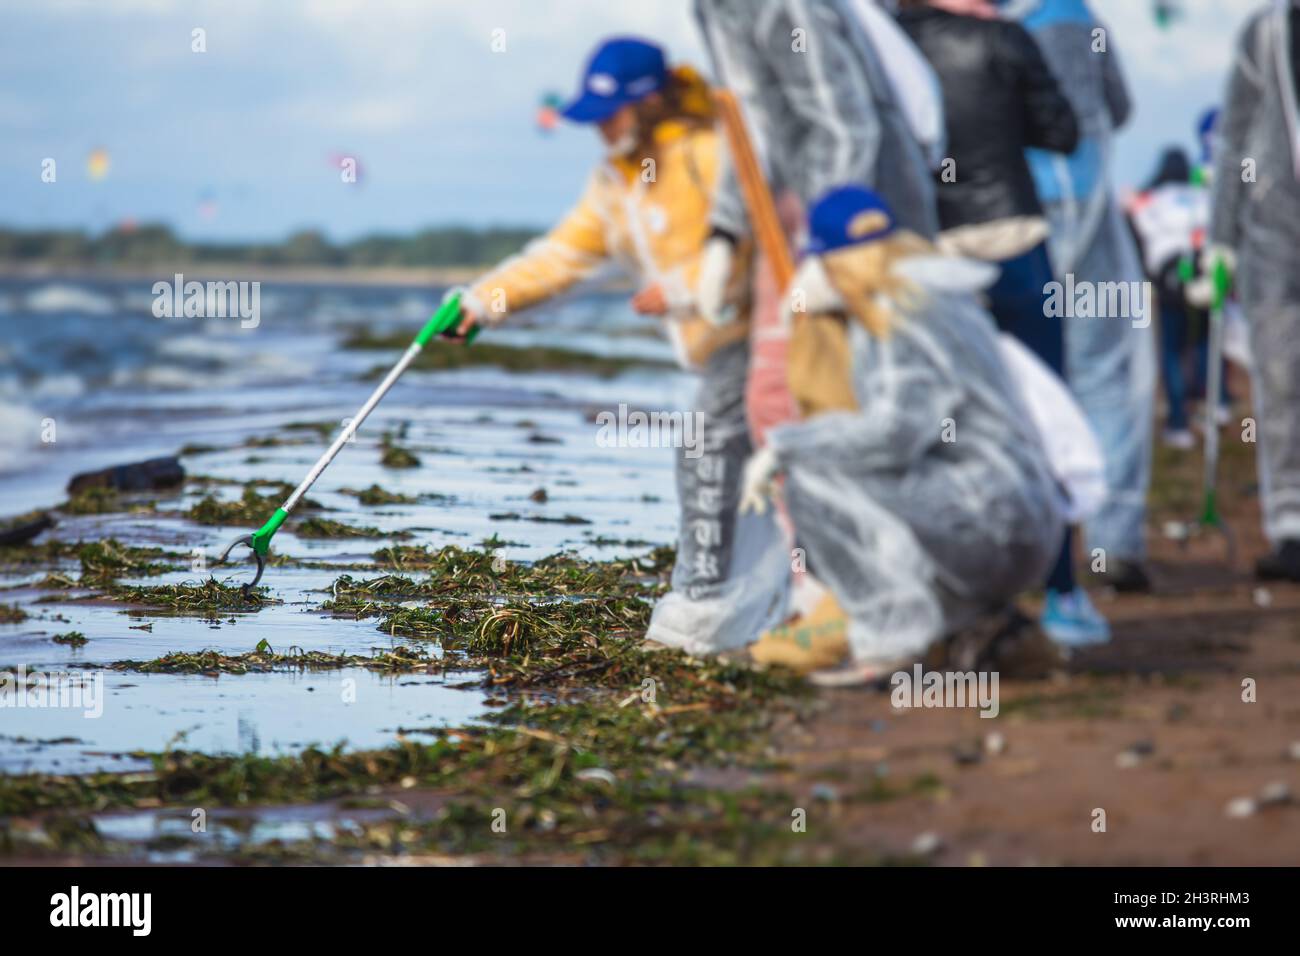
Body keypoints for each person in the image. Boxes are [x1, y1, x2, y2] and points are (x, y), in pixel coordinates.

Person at [448, 37, 789, 652]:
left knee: (705, 453)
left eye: (611, 115)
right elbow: (561, 258)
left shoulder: (709, 152)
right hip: (717, 349)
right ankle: (776, 607)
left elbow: (761, 238)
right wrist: (482, 302)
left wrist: (684, 289)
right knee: (766, 474)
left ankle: (701, 619)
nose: (601, 128)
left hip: (768, 335)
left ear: (650, 101)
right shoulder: (615, 181)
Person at [739, 186, 1067, 686]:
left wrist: (784, 446)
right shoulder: (937, 295)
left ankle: (891, 642)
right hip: (1021, 515)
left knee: (809, 477)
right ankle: (981, 632)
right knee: (863, 477)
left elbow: (895, 433)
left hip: (990, 518)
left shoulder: (898, 310)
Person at [897, 0, 1112, 646]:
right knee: (1045, 413)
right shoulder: (1003, 38)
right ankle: (1062, 594)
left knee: (935, 422)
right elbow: (1061, 132)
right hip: (1011, 237)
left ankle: (940, 596)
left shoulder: (885, 40)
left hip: (926, 248)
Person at [1010, 0, 1158, 598]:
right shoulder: (1079, 18)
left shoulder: (973, 23)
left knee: (1023, 383)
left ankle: (1031, 549)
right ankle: (1112, 542)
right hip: (1092, 222)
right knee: (1108, 379)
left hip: (1016, 223)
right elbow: (1119, 108)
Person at [1208, 0, 1300, 582]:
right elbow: (1233, 138)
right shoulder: (1266, 33)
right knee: (1280, 378)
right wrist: (1222, 237)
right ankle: (1291, 523)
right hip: (1274, 239)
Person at [1127, 145, 1226, 450]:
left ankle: (1179, 423)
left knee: (1172, 349)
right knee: (1206, 343)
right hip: (1205, 274)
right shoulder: (1205, 197)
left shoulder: (1152, 199)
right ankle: (1216, 405)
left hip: (1171, 279)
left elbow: (1137, 232)